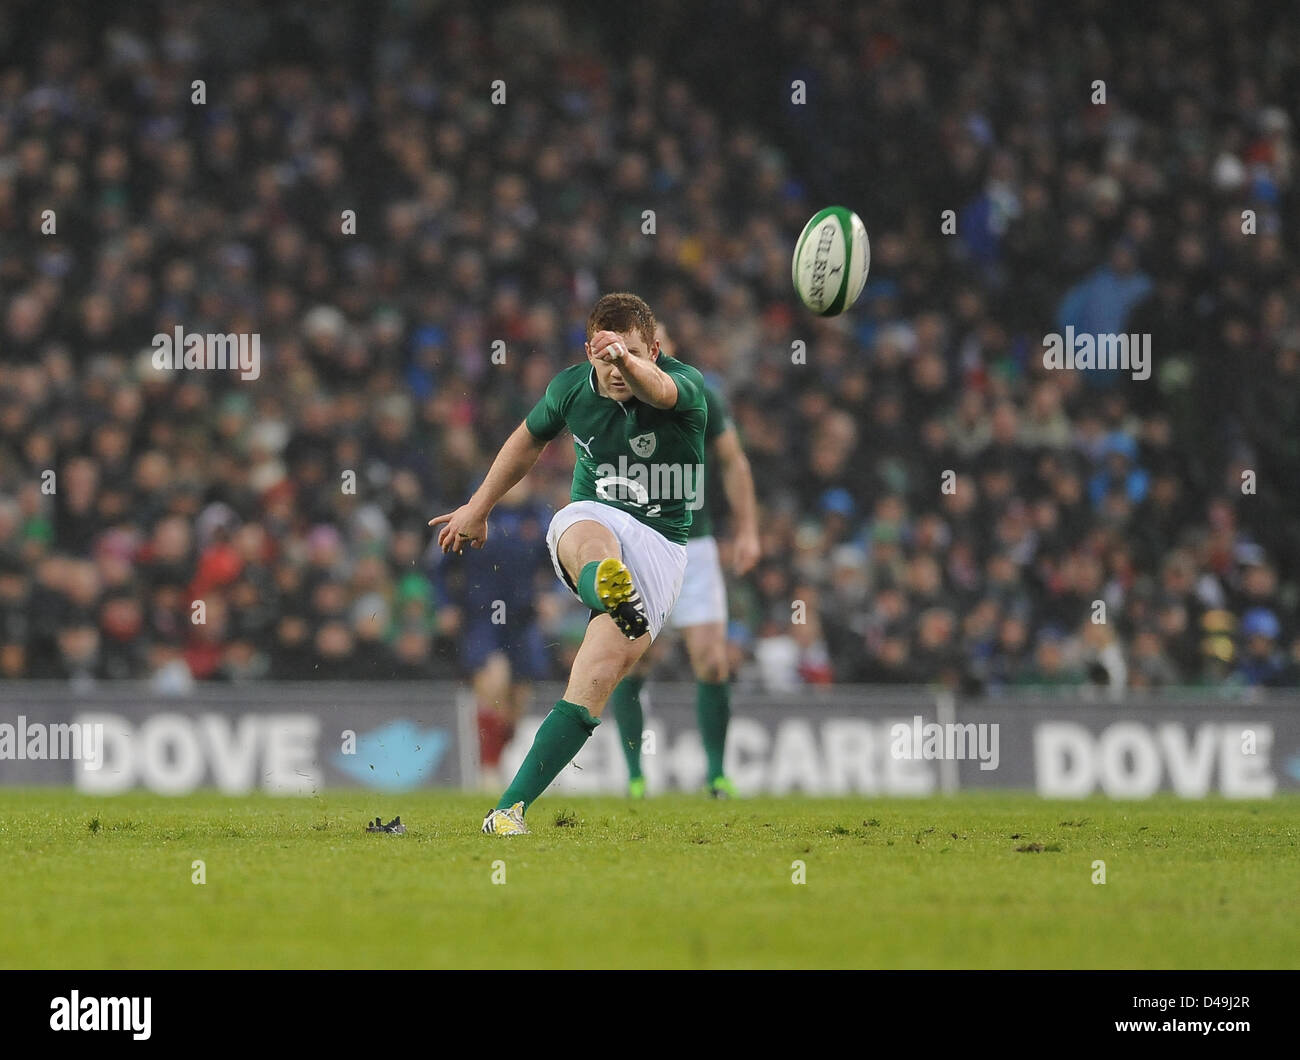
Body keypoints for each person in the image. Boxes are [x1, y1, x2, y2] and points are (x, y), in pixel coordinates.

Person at [430, 293, 708, 835]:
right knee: (586, 528)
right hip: (593, 519)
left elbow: (660, 389)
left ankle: (507, 811)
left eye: (633, 353)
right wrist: (477, 508)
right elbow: (526, 441)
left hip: (662, 546)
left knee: (595, 681)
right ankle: (607, 587)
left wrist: (627, 360)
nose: (618, 366)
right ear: (587, 353)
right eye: (606, 356)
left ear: (654, 350)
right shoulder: (568, 388)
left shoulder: (684, 383)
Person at [607, 324, 760, 798]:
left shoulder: (699, 393)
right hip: (635, 546)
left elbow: (734, 461)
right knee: (630, 662)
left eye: (656, 345)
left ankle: (716, 775)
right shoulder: (610, 398)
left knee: (712, 662)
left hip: (695, 547)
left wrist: (748, 529)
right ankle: (635, 776)